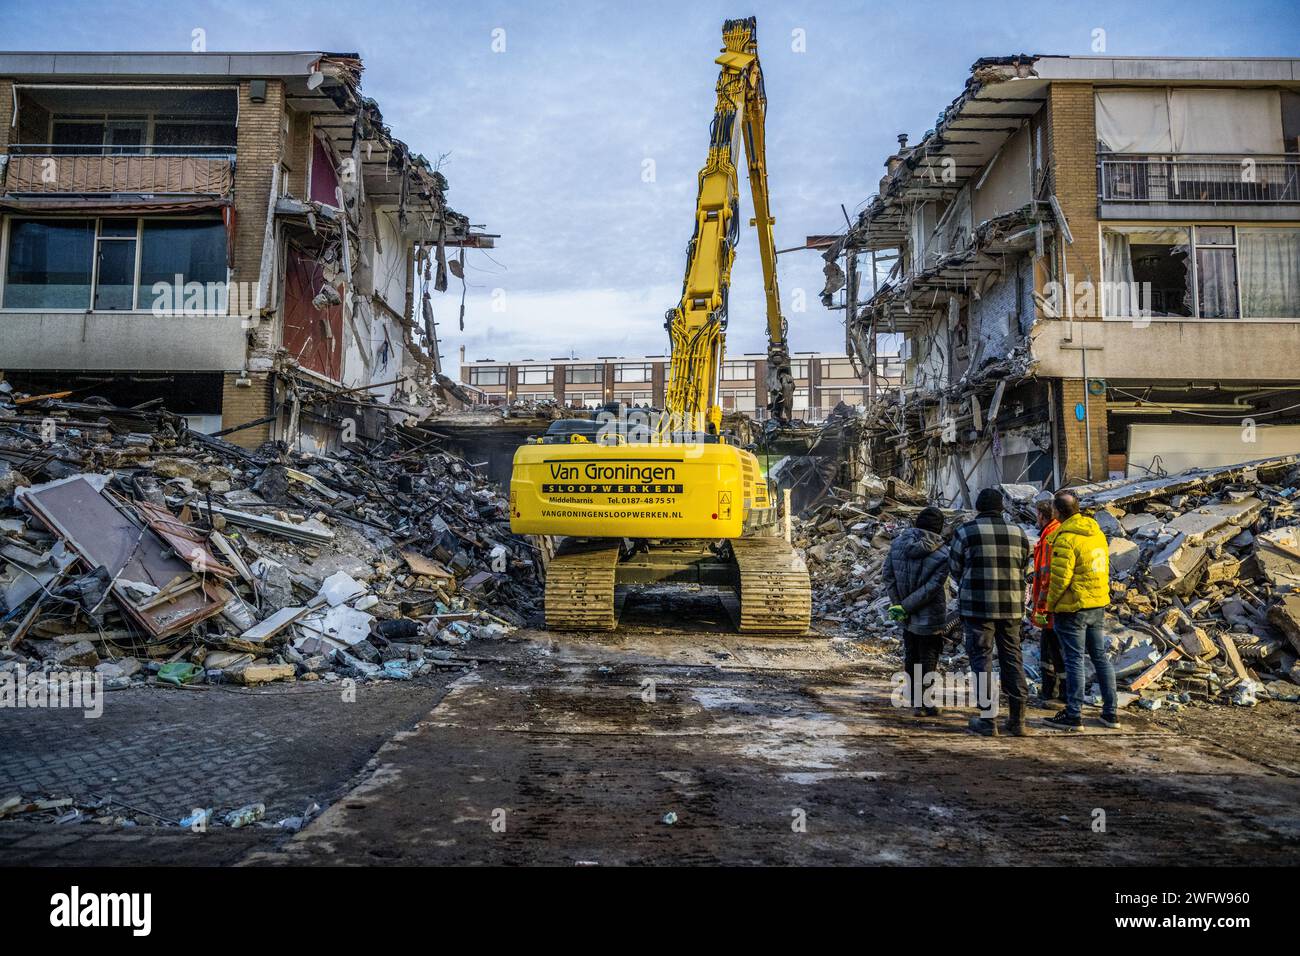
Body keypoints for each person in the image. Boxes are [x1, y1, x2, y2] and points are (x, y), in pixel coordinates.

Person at [949, 487, 1031, 737]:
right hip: (1011, 608)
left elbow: (954, 568)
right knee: (1012, 658)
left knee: (981, 660)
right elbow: (1024, 565)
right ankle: (1018, 721)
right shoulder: (1018, 533)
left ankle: (988, 719)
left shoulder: (965, 531)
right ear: (1002, 508)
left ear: (978, 507)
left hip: (978, 607)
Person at [1044, 490, 1120, 731]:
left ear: (1056, 512)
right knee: (1100, 657)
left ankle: (1073, 715)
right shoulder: (1096, 534)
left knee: (1074, 660)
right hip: (1096, 603)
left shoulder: (1065, 538)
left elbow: (1060, 579)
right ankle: (1110, 713)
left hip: (1072, 607)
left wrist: (1049, 605)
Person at [883, 506, 950, 717]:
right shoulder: (942, 553)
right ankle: (925, 702)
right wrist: (906, 606)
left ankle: (914, 698)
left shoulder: (897, 544)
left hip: (905, 614)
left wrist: (900, 605)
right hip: (930, 614)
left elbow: (888, 576)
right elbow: (933, 587)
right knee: (929, 655)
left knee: (911, 653)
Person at [1028, 498, 1065, 705]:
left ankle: (1057, 692)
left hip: (1050, 605)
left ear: (1042, 516)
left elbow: (1047, 576)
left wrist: (1041, 608)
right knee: (1050, 649)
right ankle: (1051, 690)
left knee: (1054, 650)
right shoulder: (1051, 534)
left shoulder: (1051, 536)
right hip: (1052, 604)